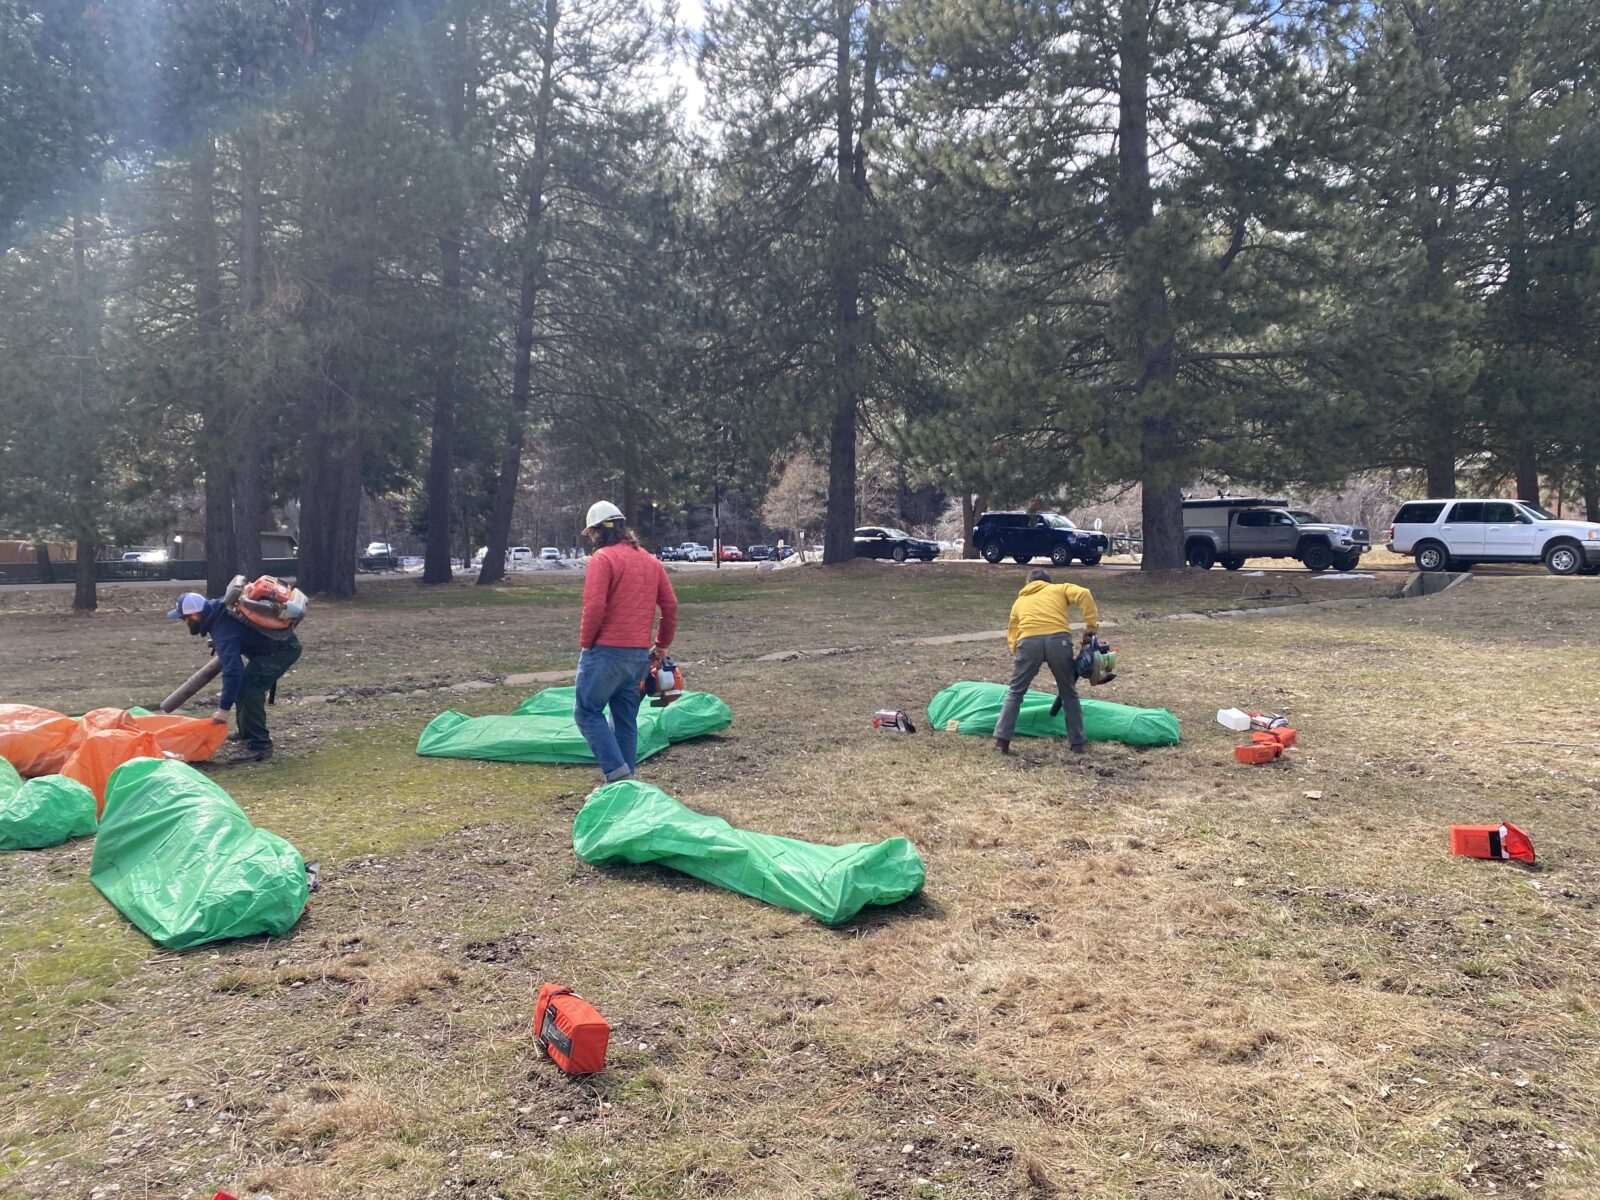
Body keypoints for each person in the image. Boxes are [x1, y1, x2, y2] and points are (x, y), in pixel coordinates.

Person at [575, 501, 679, 783]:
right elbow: (670, 606)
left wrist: (586, 641)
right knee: (624, 720)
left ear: (598, 532)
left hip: (605, 653)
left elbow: (594, 606)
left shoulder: (603, 559)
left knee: (587, 712)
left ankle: (618, 777)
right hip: (637, 657)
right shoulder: (651, 561)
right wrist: (661, 645)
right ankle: (627, 782)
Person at [167, 590, 302, 763]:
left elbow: (233, 672)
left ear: (194, 615)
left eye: (183, 618)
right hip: (275, 647)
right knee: (245, 687)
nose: (183, 622)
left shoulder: (223, 632)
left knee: (249, 690)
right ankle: (247, 732)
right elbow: (238, 632)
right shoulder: (219, 608)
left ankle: (260, 746)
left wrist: (223, 710)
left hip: (281, 651)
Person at [995, 568, 1099, 756]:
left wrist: (1015, 650)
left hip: (1028, 643)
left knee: (1016, 692)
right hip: (1058, 642)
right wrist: (1090, 628)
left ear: (1028, 584)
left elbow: (1013, 627)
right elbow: (1084, 593)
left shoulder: (1020, 600)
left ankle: (1002, 742)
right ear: (1047, 583)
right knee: (1068, 692)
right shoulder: (1059, 589)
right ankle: (1077, 744)